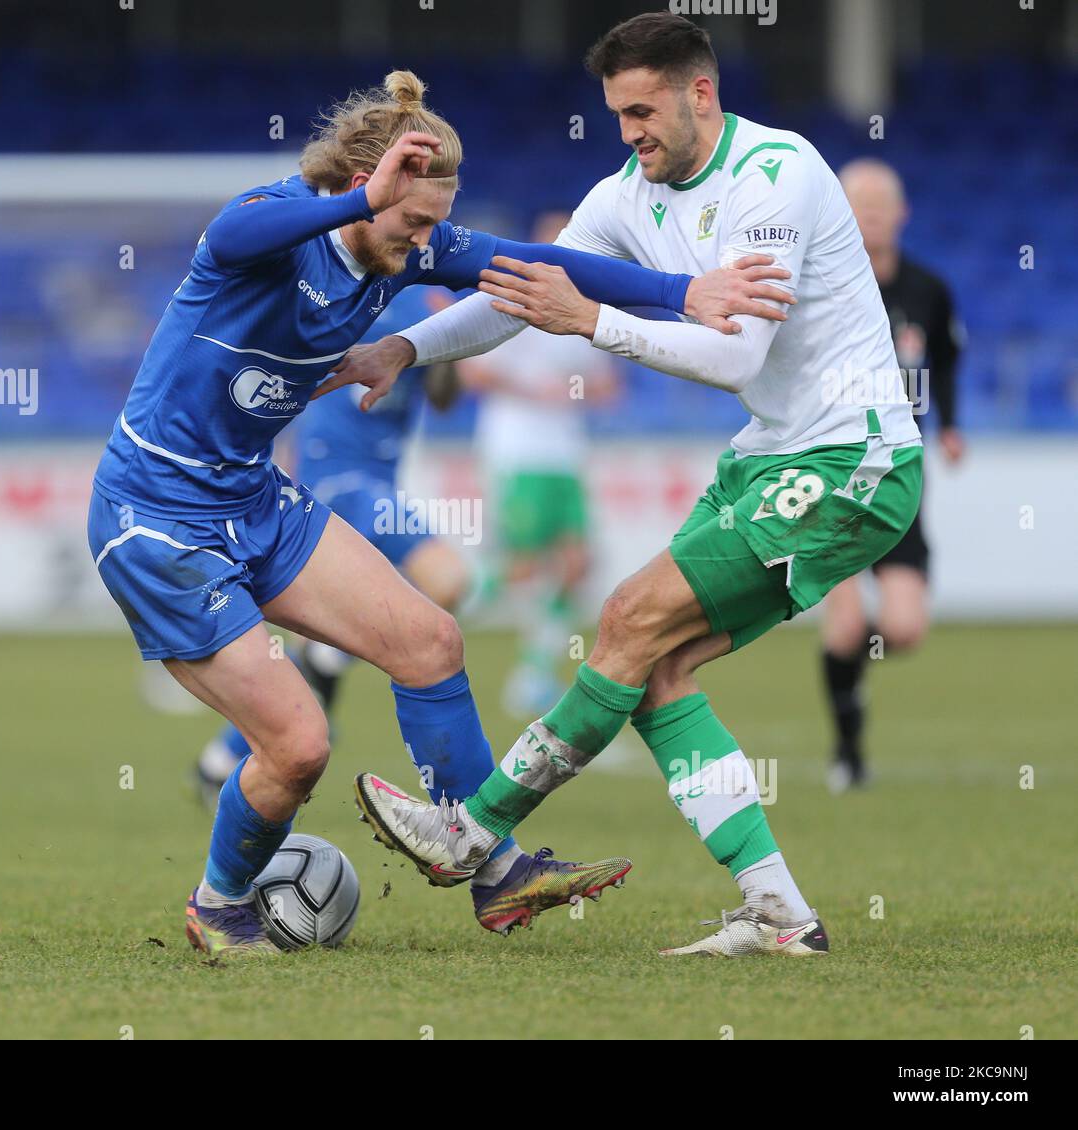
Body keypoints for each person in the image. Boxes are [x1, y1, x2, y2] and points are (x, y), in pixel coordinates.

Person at [86, 69, 793, 955]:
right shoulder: (274, 226)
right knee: (299, 745)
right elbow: (233, 230)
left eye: (433, 222)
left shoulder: (408, 245)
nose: (425, 241)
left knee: (430, 642)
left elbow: (547, 269)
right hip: (155, 516)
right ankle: (220, 907)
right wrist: (354, 207)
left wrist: (684, 294)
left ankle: (492, 871)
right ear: (357, 189)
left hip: (252, 496)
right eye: (408, 217)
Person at [330, 15, 923, 958]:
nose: (629, 132)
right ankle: (779, 914)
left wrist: (595, 323)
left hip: (850, 458)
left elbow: (739, 351)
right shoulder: (628, 191)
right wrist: (407, 345)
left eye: (643, 111)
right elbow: (522, 290)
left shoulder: (779, 176)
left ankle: (472, 830)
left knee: (626, 620)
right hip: (770, 454)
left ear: (701, 94)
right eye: (616, 114)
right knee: (655, 674)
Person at [194, 285, 471, 794]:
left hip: (374, 481)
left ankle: (221, 759)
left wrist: (447, 342)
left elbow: (445, 398)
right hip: (342, 482)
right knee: (448, 580)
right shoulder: (343, 294)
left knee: (311, 664)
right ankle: (334, 659)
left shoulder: (430, 301)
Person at [819, 158, 965, 792]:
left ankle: (847, 664)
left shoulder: (928, 290)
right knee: (848, 623)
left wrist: (953, 425)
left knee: (903, 629)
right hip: (835, 471)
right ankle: (848, 752)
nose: (871, 213)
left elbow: (947, 362)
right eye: (859, 202)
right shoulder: (823, 286)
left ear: (901, 213)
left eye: (882, 202)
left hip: (900, 472)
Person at [456, 212, 620, 717]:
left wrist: (573, 392)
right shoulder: (510, 299)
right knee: (525, 564)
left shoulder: (583, 312)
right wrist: (531, 390)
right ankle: (441, 605)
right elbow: (469, 373)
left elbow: (611, 386)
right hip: (518, 450)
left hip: (564, 454)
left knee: (576, 563)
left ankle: (533, 673)